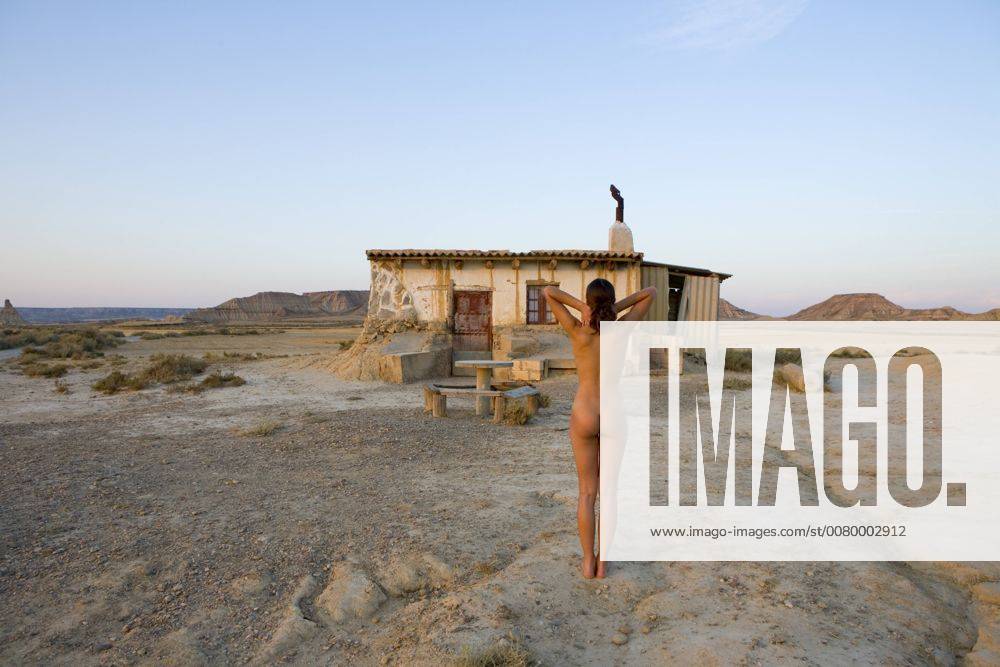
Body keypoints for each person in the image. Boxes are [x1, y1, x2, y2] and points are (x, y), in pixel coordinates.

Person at [543, 279, 657, 578]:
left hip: (584, 411)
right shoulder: (620, 330)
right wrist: (611, 310)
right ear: (611, 300)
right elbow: (650, 293)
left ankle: (586, 562)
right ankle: (603, 562)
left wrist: (585, 309)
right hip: (613, 412)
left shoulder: (577, 330)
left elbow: (548, 292)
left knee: (586, 494)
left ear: (587, 300)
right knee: (609, 493)